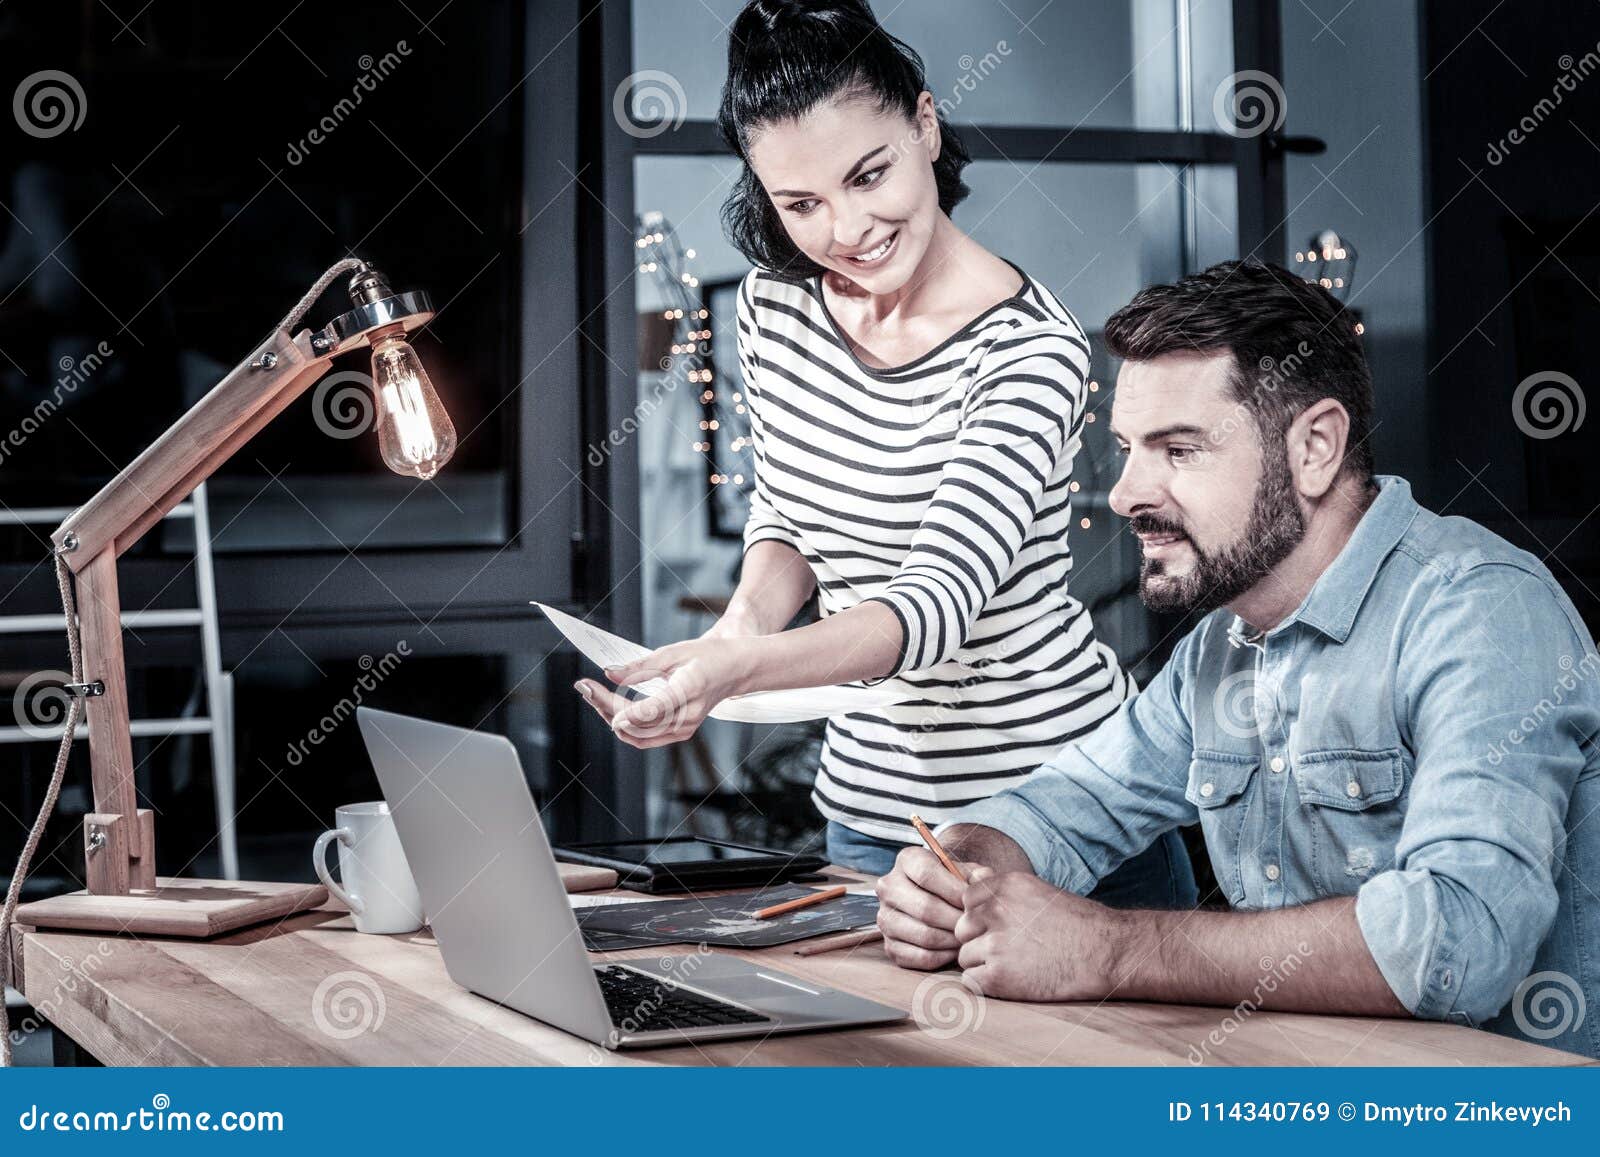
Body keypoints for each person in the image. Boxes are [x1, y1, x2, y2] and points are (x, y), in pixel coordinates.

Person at [875, 258, 1600, 1059]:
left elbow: (1463, 940)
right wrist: (957, 869)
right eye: (1126, 448)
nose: (1124, 492)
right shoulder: (1219, 648)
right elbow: (1063, 805)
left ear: (1315, 447)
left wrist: (1110, 948)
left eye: (1178, 450)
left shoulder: (1480, 610)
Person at [575, 0, 1194, 907]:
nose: (847, 229)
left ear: (926, 125)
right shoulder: (775, 308)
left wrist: (733, 672)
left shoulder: (1030, 350)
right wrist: (737, 629)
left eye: (870, 176)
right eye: (801, 204)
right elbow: (786, 511)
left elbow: (931, 609)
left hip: (1063, 813)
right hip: (873, 815)